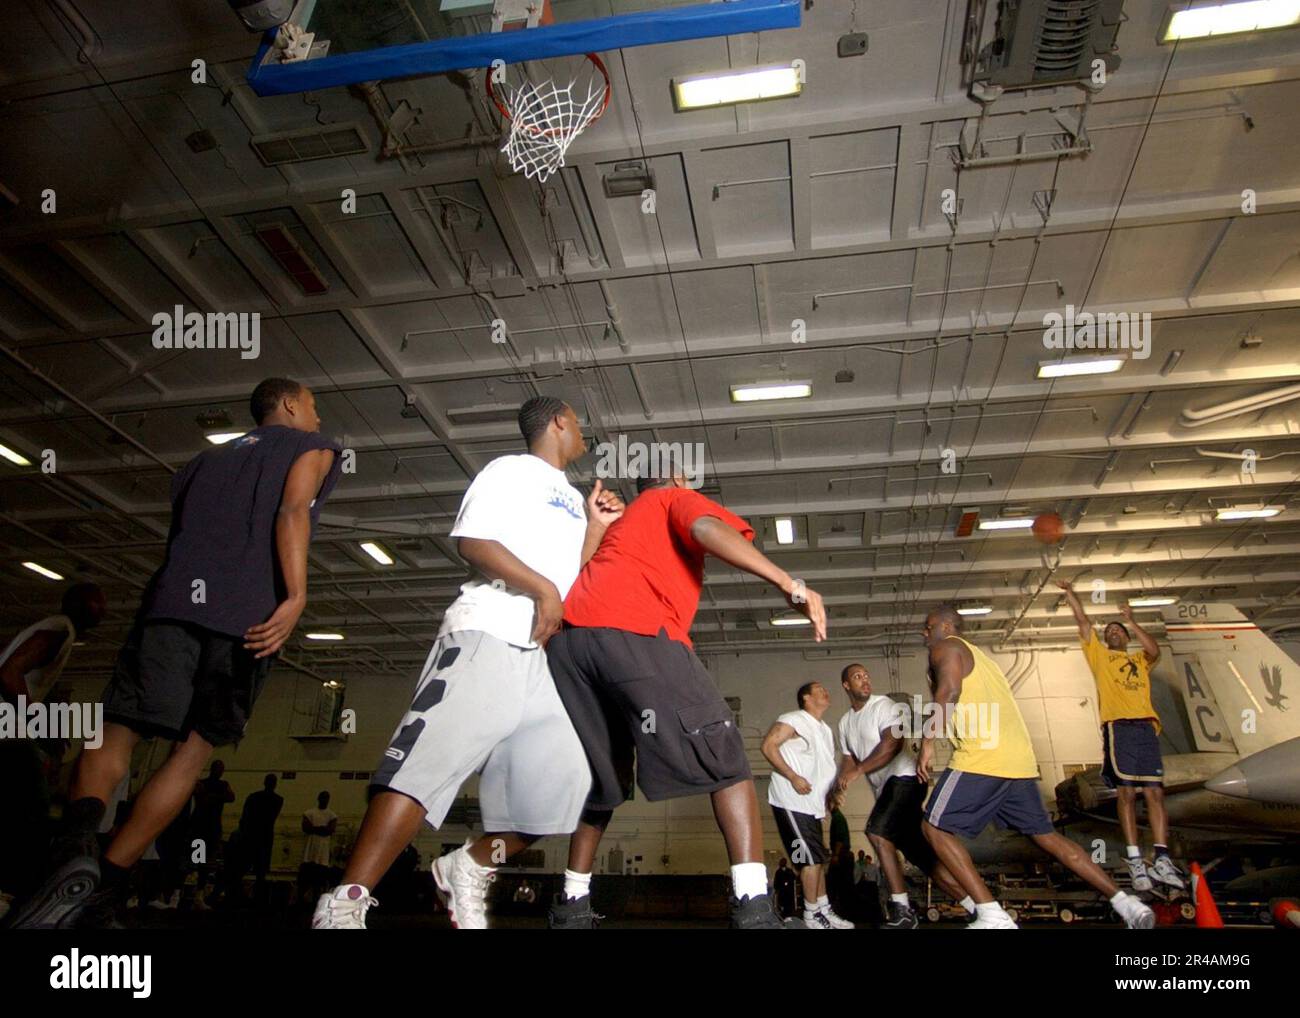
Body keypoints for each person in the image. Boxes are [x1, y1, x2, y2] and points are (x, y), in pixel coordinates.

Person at [6, 378, 341, 930]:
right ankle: (101, 893)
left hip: (170, 608)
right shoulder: (314, 446)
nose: (318, 415)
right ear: (288, 404)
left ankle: (69, 858)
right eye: (313, 405)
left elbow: (188, 534)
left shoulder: (196, 465)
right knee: (190, 755)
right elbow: (291, 510)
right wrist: (297, 595)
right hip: (248, 619)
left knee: (115, 736)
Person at [312, 396, 623, 930]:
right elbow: (474, 542)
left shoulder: (573, 497)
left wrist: (593, 527)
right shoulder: (512, 470)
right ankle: (345, 902)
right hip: (489, 631)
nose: (584, 435)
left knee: (563, 791)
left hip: (543, 657)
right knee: (422, 769)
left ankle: (469, 864)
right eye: (578, 424)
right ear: (558, 422)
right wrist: (543, 589)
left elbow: (569, 574)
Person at [544, 462, 827, 930]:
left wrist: (595, 527)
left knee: (604, 779)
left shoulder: (624, 524)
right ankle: (754, 905)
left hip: (571, 644)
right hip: (631, 630)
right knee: (726, 751)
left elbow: (576, 573)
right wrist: (788, 583)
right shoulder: (668, 499)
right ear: (675, 479)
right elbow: (703, 525)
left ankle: (572, 902)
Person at [917, 606, 1155, 929]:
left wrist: (928, 742)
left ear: (946, 626)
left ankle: (990, 914)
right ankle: (1125, 903)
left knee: (933, 827)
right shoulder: (983, 659)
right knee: (1048, 837)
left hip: (984, 757)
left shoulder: (944, 647)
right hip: (1019, 761)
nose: (925, 634)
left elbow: (949, 692)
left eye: (928, 626)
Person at [1056, 581, 1185, 893]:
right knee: (1126, 793)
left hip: (1146, 728)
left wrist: (1130, 619)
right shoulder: (1099, 657)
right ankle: (1135, 859)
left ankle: (1162, 857)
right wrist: (1071, 594)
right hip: (1119, 727)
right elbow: (1083, 623)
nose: (1113, 632)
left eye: (1118, 630)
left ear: (1126, 637)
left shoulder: (1140, 659)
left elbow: (1154, 650)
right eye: (1109, 631)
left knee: (1154, 794)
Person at [835, 662, 973, 928]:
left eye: (866, 675)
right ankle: (976, 907)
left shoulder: (884, 705)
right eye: (857, 677)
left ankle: (902, 910)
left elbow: (892, 743)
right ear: (846, 686)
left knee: (877, 832)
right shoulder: (844, 722)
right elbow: (849, 761)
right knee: (923, 858)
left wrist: (858, 770)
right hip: (888, 789)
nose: (865, 680)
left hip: (906, 779)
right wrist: (838, 786)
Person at [0, 583, 106, 899]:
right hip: (8, 733)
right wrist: (41, 725)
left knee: (22, 809)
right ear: (78, 603)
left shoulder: (61, 631)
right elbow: (9, 673)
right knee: (30, 811)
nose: (103, 608)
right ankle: (12, 891)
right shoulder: (60, 627)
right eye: (98, 600)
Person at [761, 682, 852, 929]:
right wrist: (792, 776)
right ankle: (811, 915)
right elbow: (768, 745)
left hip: (810, 807)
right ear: (805, 697)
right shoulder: (794, 719)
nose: (826, 691)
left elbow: (821, 770)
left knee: (817, 860)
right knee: (810, 861)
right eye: (819, 689)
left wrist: (825, 801)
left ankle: (824, 909)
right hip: (790, 801)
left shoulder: (823, 730)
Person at [191, 759, 235, 907]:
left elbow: (231, 797)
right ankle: (194, 890)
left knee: (204, 861)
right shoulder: (218, 785)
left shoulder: (214, 785)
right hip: (203, 826)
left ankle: (198, 892)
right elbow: (227, 797)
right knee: (198, 860)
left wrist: (213, 797)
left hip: (208, 827)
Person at [239, 774, 284, 905]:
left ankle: (237, 894)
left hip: (251, 835)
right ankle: (257, 899)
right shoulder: (278, 800)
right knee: (261, 871)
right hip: (264, 837)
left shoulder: (253, 797)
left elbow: (244, 817)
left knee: (244, 867)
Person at [300, 790, 337, 904]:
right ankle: (303, 900)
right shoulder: (310, 813)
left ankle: (315, 900)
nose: (324, 800)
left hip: (321, 854)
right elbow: (306, 828)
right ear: (319, 798)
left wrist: (315, 828)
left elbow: (330, 830)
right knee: (306, 880)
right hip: (310, 853)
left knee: (318, 882)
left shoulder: (331, 815)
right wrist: (322, 829)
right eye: (323, 797)